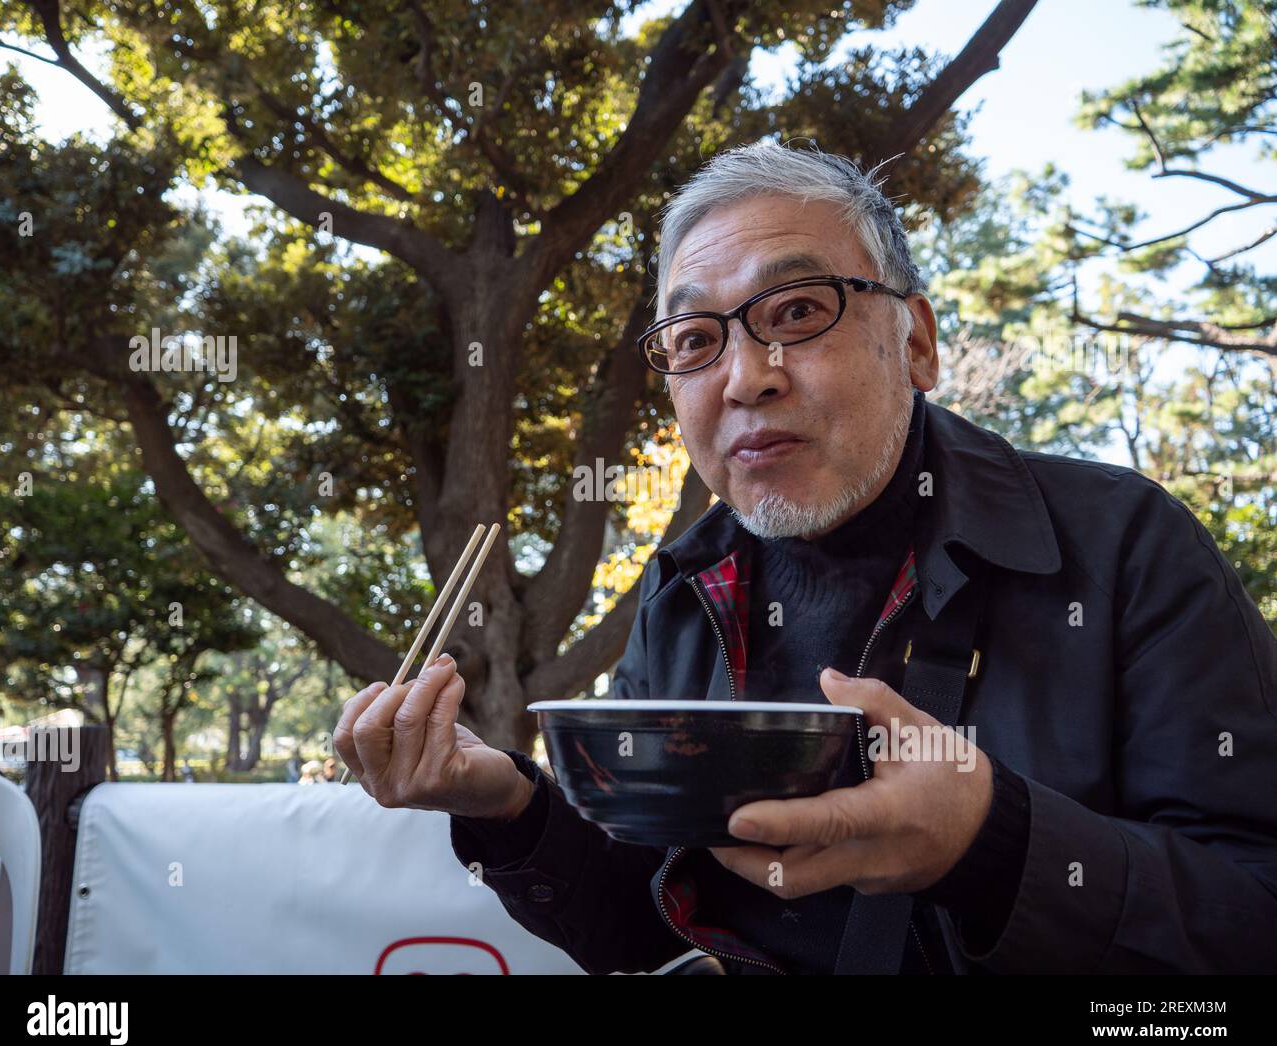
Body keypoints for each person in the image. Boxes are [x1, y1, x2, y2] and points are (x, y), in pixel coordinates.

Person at [333, 142, 1277, 974]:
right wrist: (505, 802)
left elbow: (1251, 918)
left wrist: (991, 840)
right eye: (697, 340)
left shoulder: (1122, 545)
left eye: (795, 310)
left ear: (917, 341)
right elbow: (642, 925)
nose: (747, 376)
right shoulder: (686, 591)